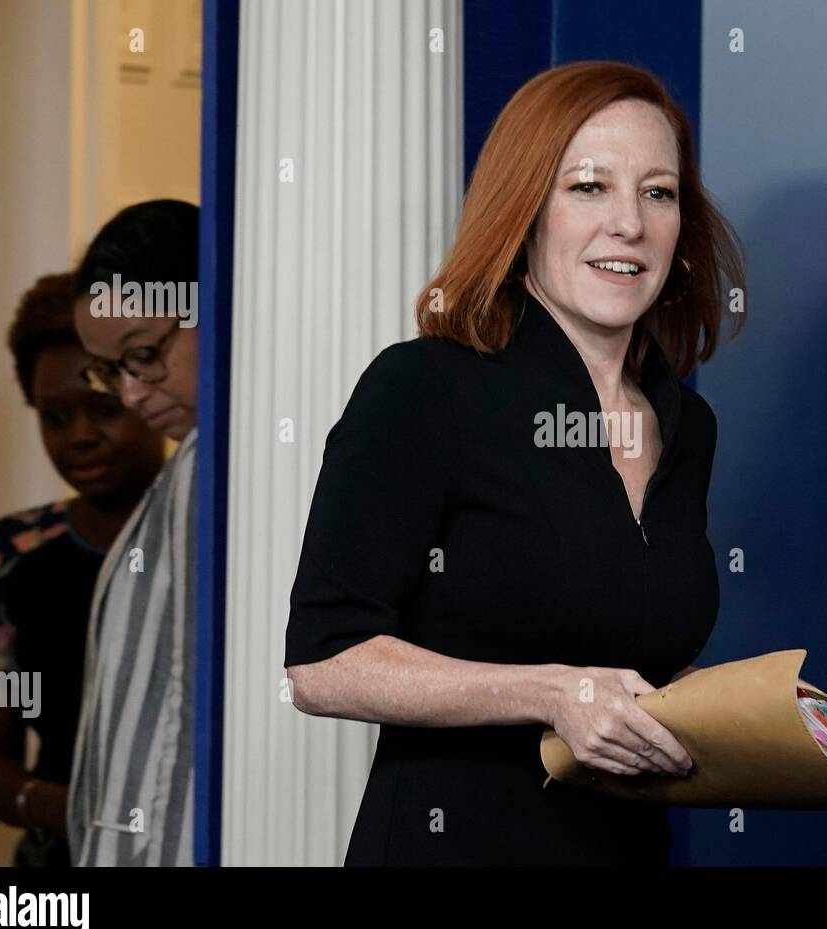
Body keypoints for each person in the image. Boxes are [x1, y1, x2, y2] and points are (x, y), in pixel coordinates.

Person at [285, 61, 748, 865]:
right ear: (524, 209)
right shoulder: (425, 388)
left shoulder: (687, 425)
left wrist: (766, 722)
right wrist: (550, 692)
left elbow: (637, 666)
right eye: (589, 187)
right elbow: (324, 663)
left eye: (658, 193)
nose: (629, 225)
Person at [0, 272, 166, 867]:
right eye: (55, 417)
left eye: (101, 409)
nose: (79, 436)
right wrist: (76, 808)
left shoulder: (206, 537)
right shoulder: (15, 551)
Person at [67, 199, 200, 866]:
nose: (129, 393)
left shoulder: (214, 466)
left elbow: (182, 712)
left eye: (144, 355)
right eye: (110, 369)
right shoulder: (192, 467)